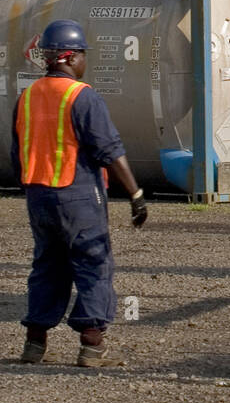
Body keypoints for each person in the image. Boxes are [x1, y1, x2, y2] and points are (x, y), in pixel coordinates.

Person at [10, 19, 148, 368]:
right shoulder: (82, 96)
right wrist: (135, 194)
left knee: (46, 268)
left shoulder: (26, 98)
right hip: (78, 194)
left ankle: (34, 344)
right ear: (71, 58)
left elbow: (17, 153)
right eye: (84, 54)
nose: (86, 62)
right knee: (93, 265)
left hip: (38, 196)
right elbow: (109, 150)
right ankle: (91, 345)